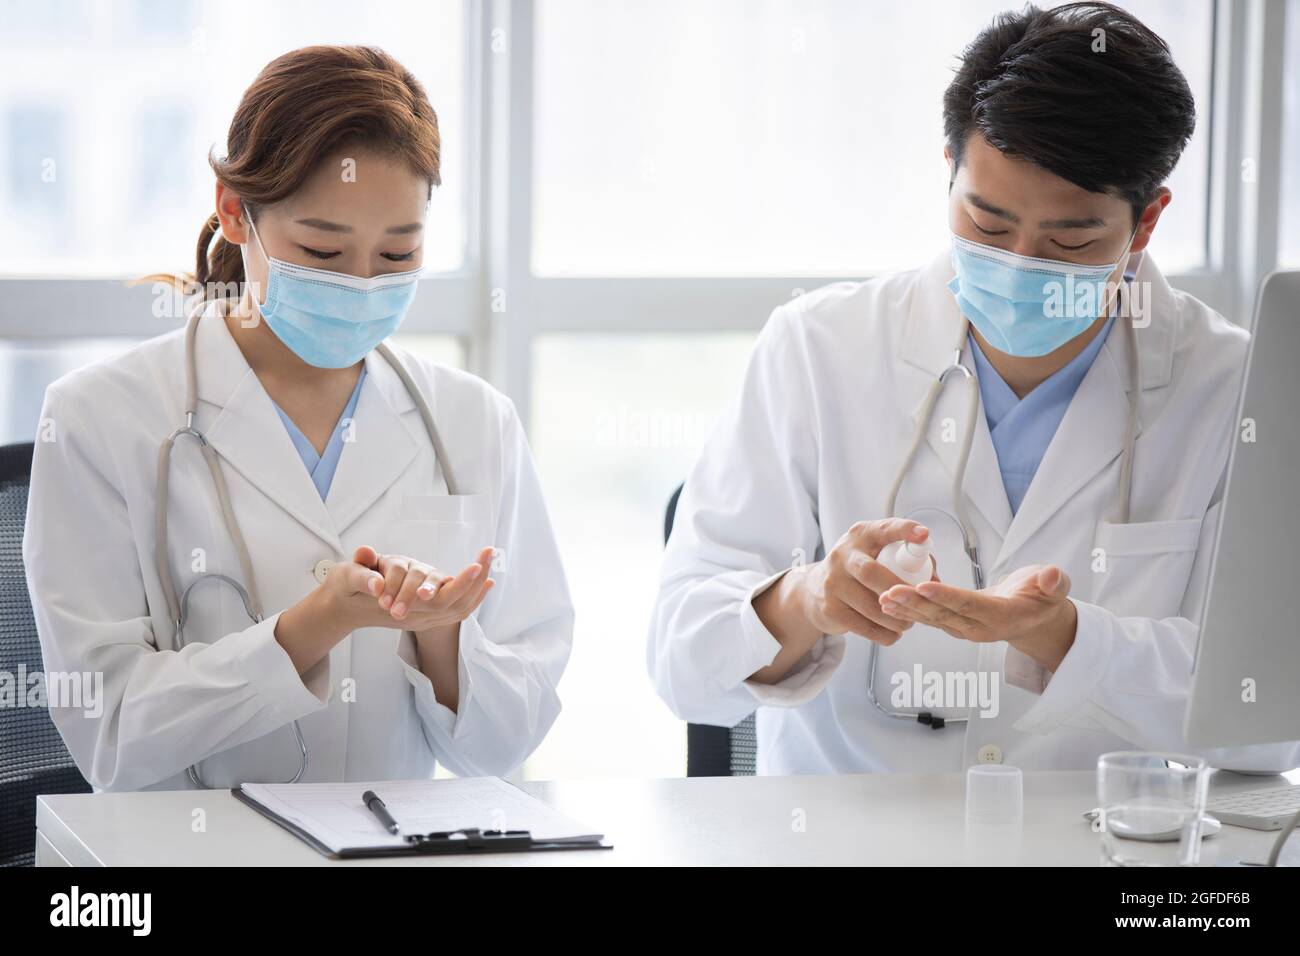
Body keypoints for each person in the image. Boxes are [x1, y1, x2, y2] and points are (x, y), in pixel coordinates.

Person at [648, 3, 1300, 775]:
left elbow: (1269, 725)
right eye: (988, 225)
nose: (1022, 262)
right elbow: (681, 663)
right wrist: (806, 601)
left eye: (1071, 240)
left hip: (1108, 857)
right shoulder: (819, 348)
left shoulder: (1234, 388)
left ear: (1147, 221)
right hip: (847, 844)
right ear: (949, 166)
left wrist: (1067, 640)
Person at [25, 46, 572, 791]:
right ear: (233, 211)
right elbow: (112, 734)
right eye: (322, 250)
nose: (360, 283)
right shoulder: (100, 419)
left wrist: (441, 636)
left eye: (397, 252)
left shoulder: (474, 423)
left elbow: (503, 745)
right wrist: (312, 626)